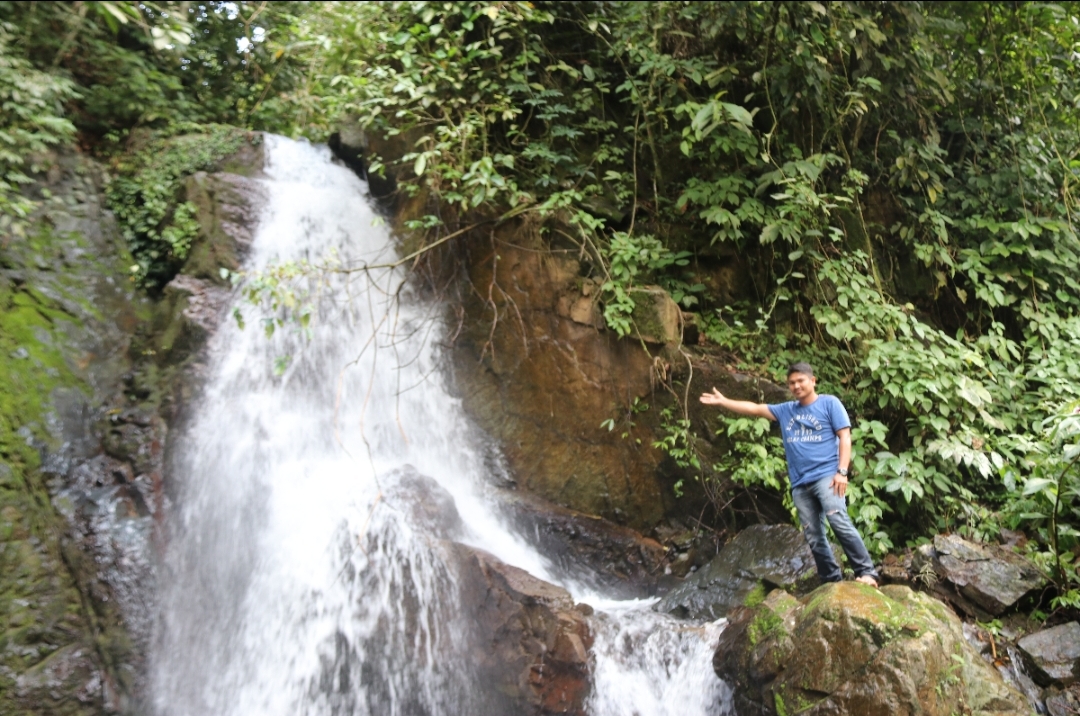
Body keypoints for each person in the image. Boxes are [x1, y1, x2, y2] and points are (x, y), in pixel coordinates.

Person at [700, 361, 880, 587]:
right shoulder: (785, 410)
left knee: (838, 518)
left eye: (801, 381)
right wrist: (724, 402)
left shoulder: (829, 404)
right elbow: (755, 408)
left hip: (827, 475)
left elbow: (845, 437)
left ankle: (867, 573)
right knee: (813, 535)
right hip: (800, 484)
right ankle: (831, 581)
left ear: (812, 381)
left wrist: (842, 472)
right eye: (792, 383)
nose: (796, 386)